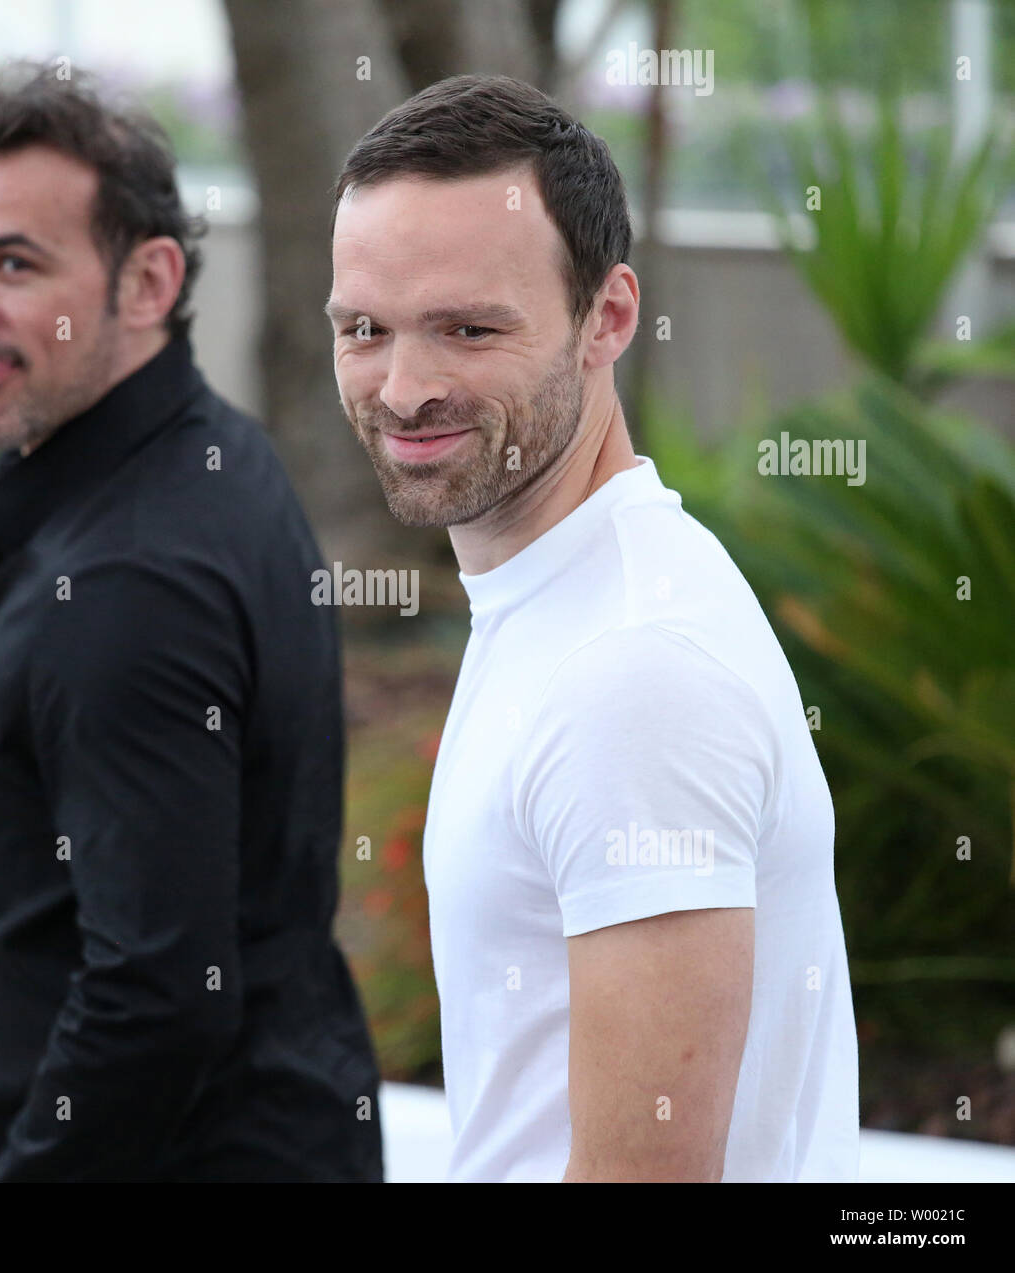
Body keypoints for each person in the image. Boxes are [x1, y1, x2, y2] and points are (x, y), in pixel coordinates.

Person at [0, 61, 383, 1183]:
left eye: (14, 263)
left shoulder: (127, 580)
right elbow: (198, 852)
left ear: (146, 281)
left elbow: (156, 1003)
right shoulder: (208, 454)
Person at [326, 73, 860, 1182]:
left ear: (607, 317)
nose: (404, 386)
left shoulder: (630, 674)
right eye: (364, 329)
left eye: (468, 328)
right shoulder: (566, 593)